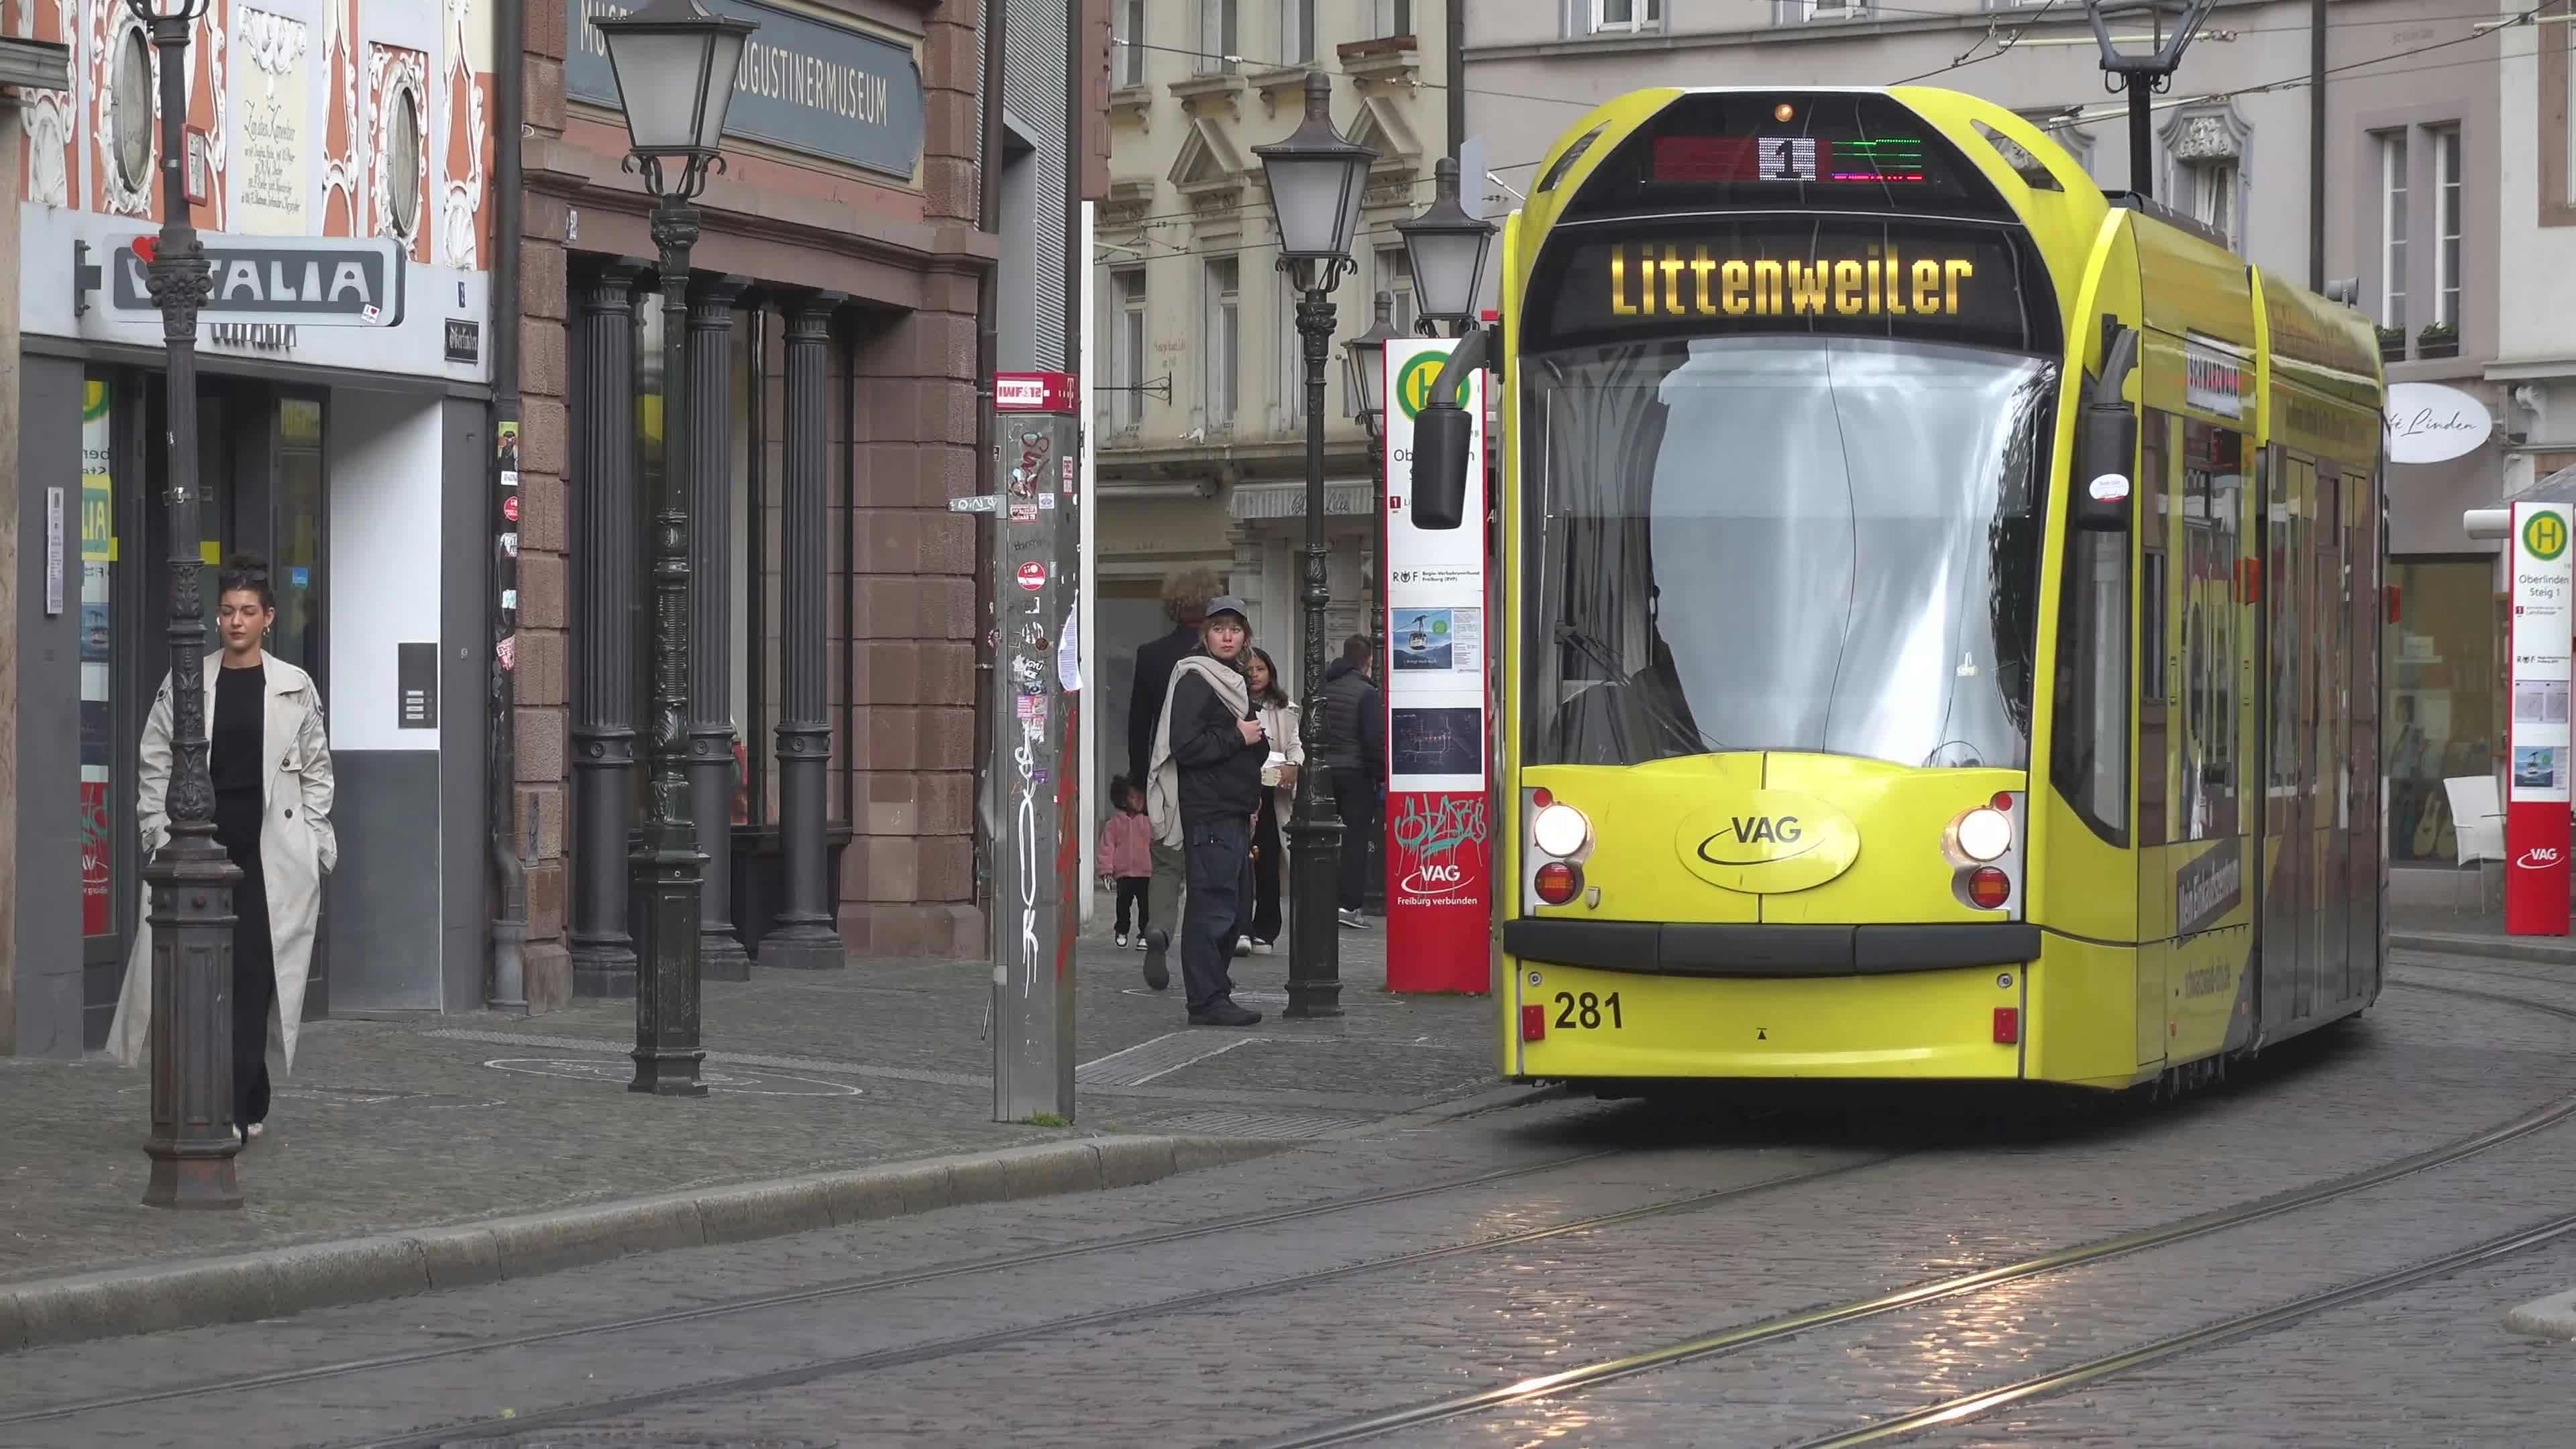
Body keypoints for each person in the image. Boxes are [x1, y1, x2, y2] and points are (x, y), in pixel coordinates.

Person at [109, 553, 337, 1144]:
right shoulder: (189, 679)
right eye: (227, 611)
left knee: (255, 976)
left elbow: (318, 771)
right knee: (203, 978)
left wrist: (316, 843)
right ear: (216, 617)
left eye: (247, 612)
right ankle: (229, 1100)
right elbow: (154, 758)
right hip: (202, 847)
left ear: (269, 617)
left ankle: (241, 1097)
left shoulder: (293, 686)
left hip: (272, 853)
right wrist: (158, 832)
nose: (236, 622)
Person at [1144, 595, 1265, 1027]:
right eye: (1219, 628)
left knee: (1230, 908)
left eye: (1234, 629)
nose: (1227, 636)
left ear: (1245, 636)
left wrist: (1253, 741)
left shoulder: (1232, 679)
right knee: (1212, 907)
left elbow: (1245, 739)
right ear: (1206, 635)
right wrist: (1239, 737)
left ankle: (1215, 990)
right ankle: (1207, 999)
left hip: (1230, 807)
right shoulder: (1198, 679)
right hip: (1209, 809)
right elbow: (1187, 745)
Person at [1126, 567, 1221, 990]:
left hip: (1164, 771)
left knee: (1166, 858)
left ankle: (1160, 925)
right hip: (1212, 770)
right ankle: (1208, 955)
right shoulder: (1221, 657)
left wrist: (1136, 777)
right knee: (1212, 862)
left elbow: (1137, 724)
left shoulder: (1152, 654)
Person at [1317, 634, 1386, 928]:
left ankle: (1321, 901)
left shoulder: (1323, 686)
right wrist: (1381, 775)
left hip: (1324, 772)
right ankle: (1349, 906)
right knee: (1356, 840)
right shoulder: (1366, 693)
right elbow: (1372, 741)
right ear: (1368, 662)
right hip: (1356, 773)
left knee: (1322, 839)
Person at [1241, 647, 1303, 955]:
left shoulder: (1284, 708)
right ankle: (1239, 927)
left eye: (1260, 668)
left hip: (1271, 790)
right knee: (1238, 860)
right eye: (1249, 669)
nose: (1254, 675)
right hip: (1238, 789)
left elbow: (1295, 744)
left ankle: (1265, 928)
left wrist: (1294, 766)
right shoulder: (1231, 701)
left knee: (1267, 861)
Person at [1101, 775, 1154, 949]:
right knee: (1123, 905)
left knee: (1146, 907)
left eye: (1141, 797)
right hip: (1123, 873)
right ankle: (1122, 929)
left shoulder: (1149, 822)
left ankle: (1145, 934)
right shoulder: (1114, 824)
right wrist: (1106, 870)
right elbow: (1107, 847)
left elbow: (1157, 845)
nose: (1138, 800)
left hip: (1146, 872)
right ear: (1122, 799)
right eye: (1133, 797)